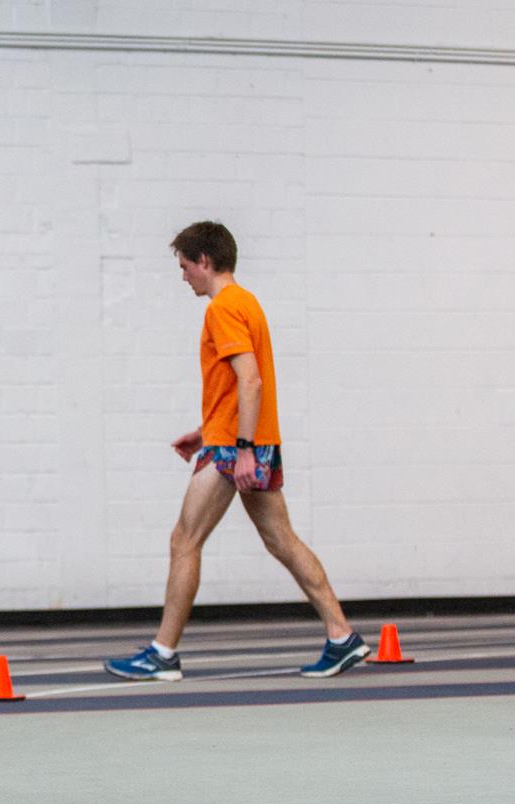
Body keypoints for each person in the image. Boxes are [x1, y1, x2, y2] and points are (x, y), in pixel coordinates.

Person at [103, 221, 368, 682]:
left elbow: (250, 379)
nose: (183, 276)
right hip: (240, 440)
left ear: (204, 261)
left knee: (184, 540)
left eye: (185, 267)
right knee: (281, 540)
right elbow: (238, 389)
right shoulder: (247, 303)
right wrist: (205, 433)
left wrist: (238, 447)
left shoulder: (223, 309)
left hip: (235, 448)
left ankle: (162, 654)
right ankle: (342, 636)